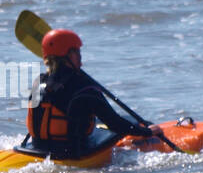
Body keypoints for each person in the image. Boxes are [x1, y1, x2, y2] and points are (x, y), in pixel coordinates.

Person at [26, 29, 163, 158]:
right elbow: (115, 124)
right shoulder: (84, 88)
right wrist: (147, 132)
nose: (80, 56)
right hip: (73, 154)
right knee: (128, 122)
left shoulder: (39, 82)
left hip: (38, 150)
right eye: (77, 51)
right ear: (68, 55)